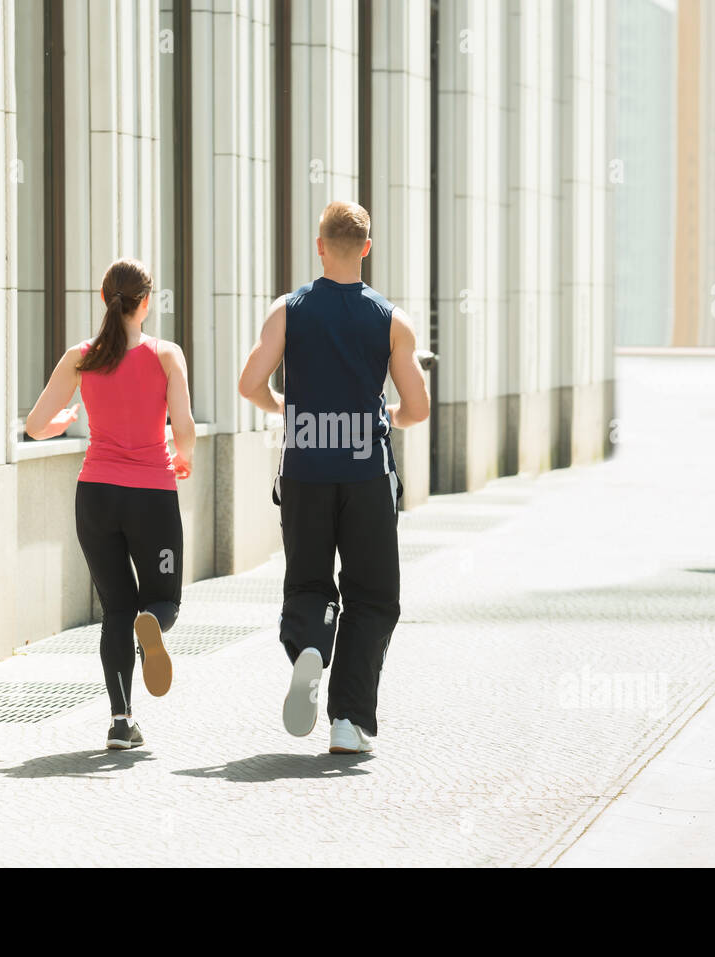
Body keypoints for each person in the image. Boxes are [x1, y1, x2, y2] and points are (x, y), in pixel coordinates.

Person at [237, 200, 431, 754]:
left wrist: (287, 408)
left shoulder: (288, 310)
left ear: (319, 246)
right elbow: (416, 408)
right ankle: (348, 722)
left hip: (304, 469)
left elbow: (250, 384)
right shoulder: (391, 320)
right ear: (366, 248)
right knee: (372, 595)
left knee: (307, 582)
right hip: (366, 473)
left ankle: (311, 645)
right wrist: (380, 417)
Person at [26, 257, 195, 750]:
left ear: (104, 299)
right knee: (162, 600)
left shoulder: (81, 356)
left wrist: (61, 424)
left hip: (95, 495)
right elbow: (183, 430)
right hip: (152, 496)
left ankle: (121, 722)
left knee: (116, 608)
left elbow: (35, 425)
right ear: (146, 303)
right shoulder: (167, 355)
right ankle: (154, 627)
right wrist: (180, 457)